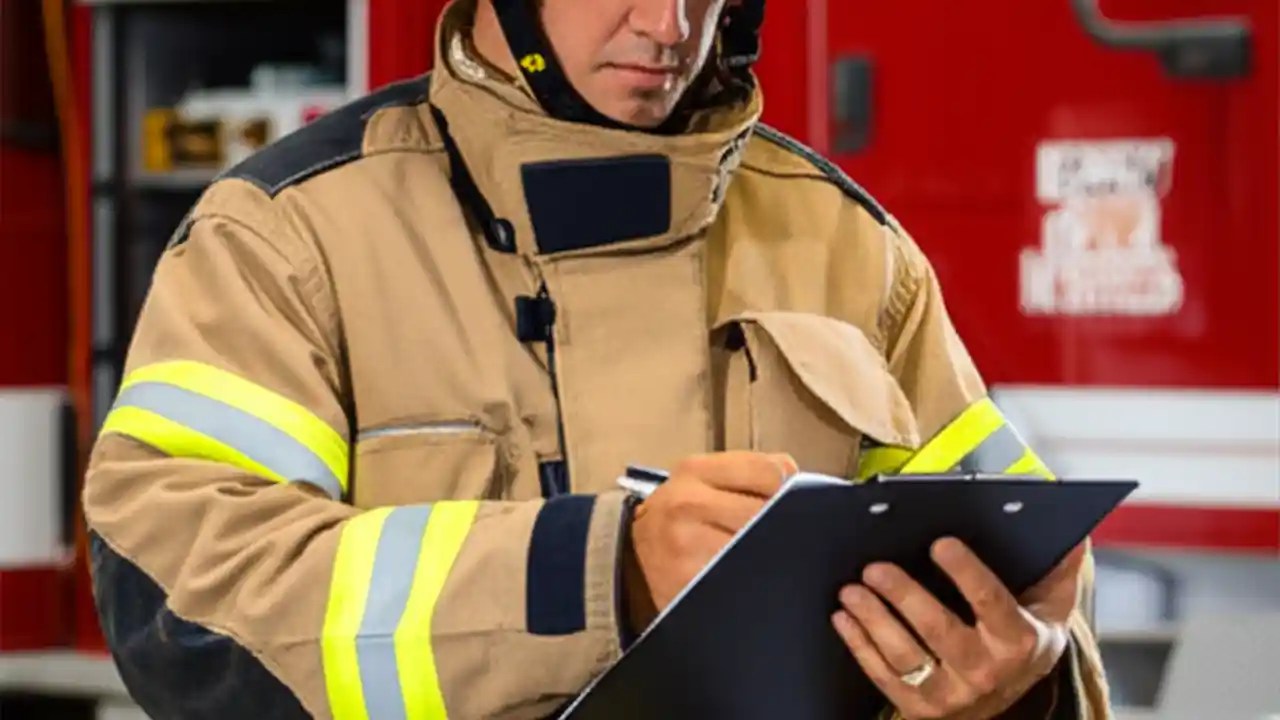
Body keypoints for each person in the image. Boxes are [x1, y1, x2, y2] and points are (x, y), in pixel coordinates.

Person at [82, 0, 1112, 717]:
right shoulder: (288, 239)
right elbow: (183, 611)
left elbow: (1019, 582)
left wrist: (1014, 690)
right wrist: (599, 571)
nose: (669, 27)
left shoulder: (849, 249)